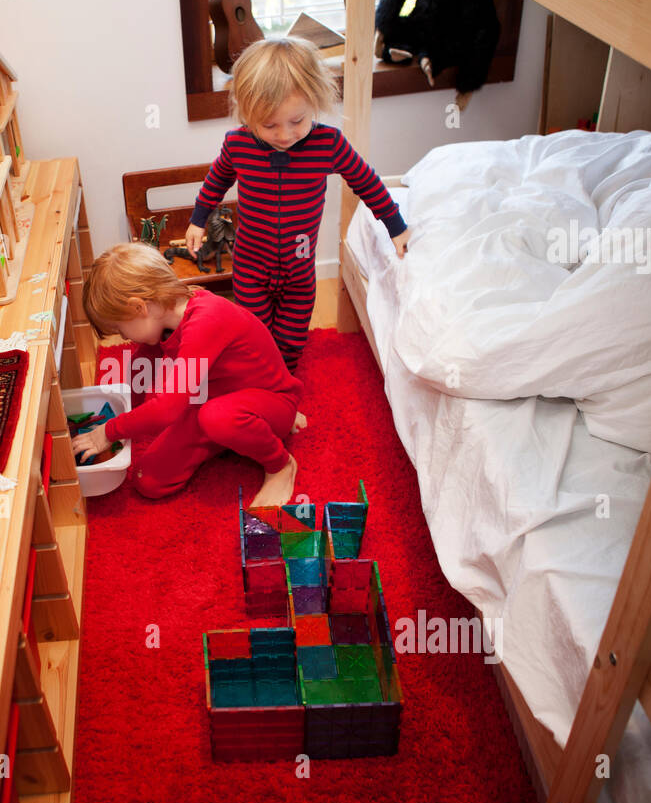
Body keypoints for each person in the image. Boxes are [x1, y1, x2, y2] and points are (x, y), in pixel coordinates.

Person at [186, 36, 410, 371]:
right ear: (247, 114)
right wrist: (198, 219)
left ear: (315, 104)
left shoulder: (328, 144)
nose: (285, 135)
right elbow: (216, 180)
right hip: (250, 263)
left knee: (292, 338)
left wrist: (396, 226)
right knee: (252, 332)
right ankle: (259, 377)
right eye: (269, 125)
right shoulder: (238, 145)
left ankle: (284, 376)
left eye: (297, 121)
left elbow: (366, 182)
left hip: (300, 268)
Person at [75, 243, 305, 507]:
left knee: (216, 417)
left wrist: (110, 430)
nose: (124, 337)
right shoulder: (163, 325)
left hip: (270, 399)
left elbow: (165, 411)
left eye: (120, 328)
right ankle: (232, 433)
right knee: (148, 479)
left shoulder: (207, 318)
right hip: (213, 401)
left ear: (139, 307)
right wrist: (124, 421)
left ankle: (281, 464)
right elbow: (141, 377)